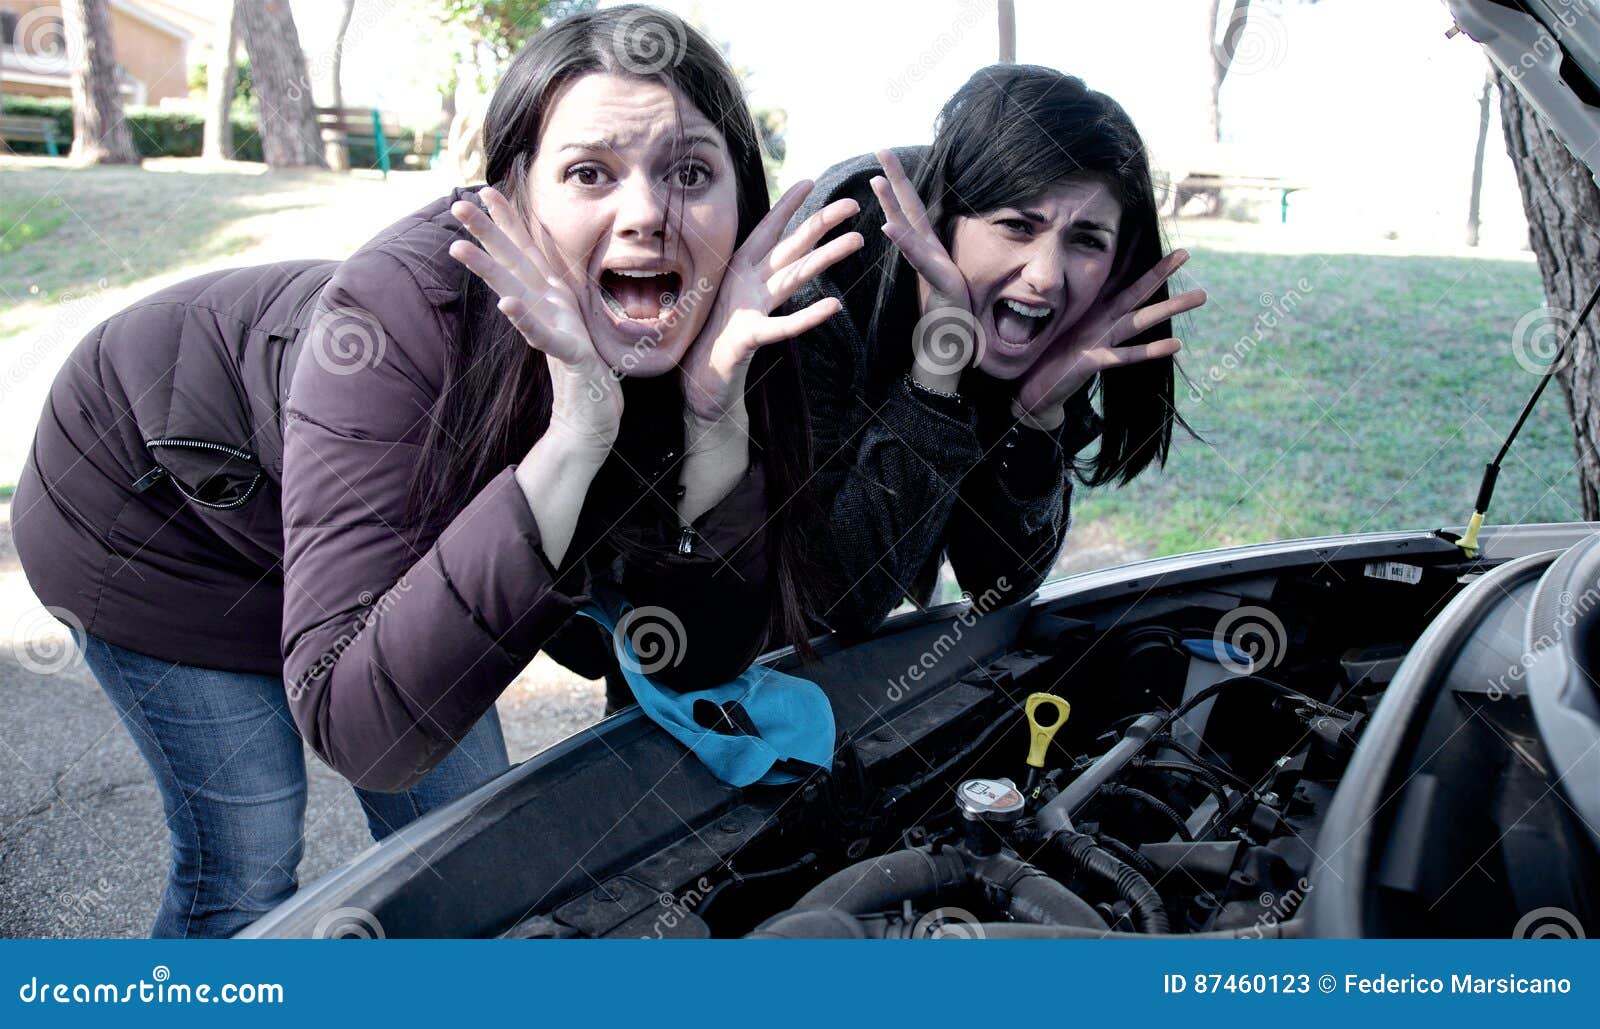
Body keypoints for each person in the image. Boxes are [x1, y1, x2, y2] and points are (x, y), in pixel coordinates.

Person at [9, 4, 858, 938]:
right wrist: (577, 429)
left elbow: (693, 655)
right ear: (514, 197)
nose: (649, 212)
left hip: (325, 505)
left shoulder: (743, 324)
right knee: (247, 854)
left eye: (690, 172)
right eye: (589, 173)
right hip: (150, 506)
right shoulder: (394, 315)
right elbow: (362, 726)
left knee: (471, 858)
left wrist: (712, 413)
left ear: (742, 197)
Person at [787, 65, 1207, 634]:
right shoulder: (825, 275)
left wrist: (1037, 419)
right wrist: (937, 369)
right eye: (1016, 225)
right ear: (944, 218)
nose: (1047, 277)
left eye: (1087, 240)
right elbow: (835, 598)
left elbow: (996, 585)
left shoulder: (1063, 315)